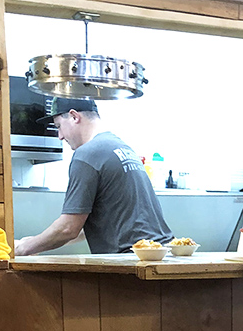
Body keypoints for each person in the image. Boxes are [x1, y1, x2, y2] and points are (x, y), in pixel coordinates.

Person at [14, 97, 173, 255]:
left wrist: (22, 249)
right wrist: (35, 242)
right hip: (161, 254)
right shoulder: (121, 147)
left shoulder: (87, 154)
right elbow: (96, 226)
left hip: (131, 260)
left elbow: (69, 228)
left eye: (59, 126)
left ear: (74, 117)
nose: (60, 136)